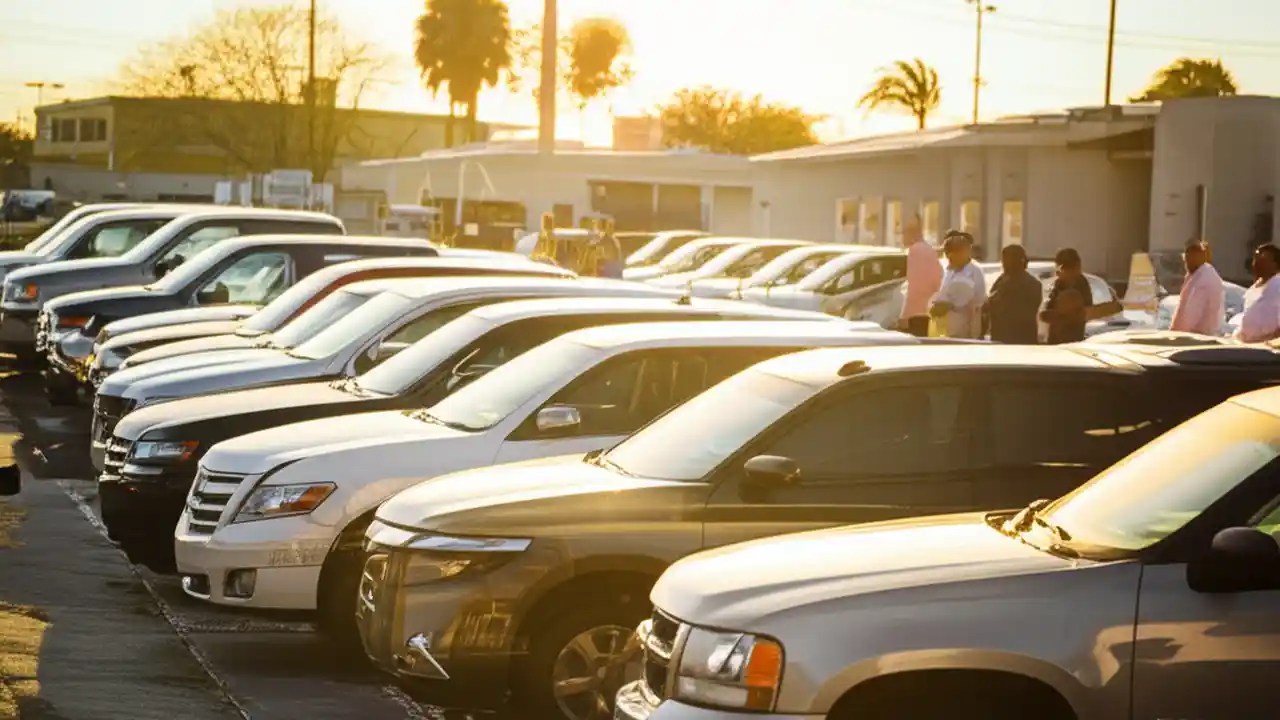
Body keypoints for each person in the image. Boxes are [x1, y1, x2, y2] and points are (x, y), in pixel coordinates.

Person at [929, 231, 987, 339]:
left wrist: (950, 305)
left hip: (966, 331)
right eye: (947, 256)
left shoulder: (975, 272)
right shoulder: (948, 271)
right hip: (945, 329)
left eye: (952, 256)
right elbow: (941, 293)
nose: (949, 260)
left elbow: (978, 300)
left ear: (964, 252)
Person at [985, 244, 1042, 344]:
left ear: (1019, 260)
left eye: (1007, 259)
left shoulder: (1032, 284)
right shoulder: (1001, 280)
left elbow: (1025, 312)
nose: (1003, 263)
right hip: (1000, 338)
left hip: (1021, 340)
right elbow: (991, 302)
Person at [1169, 240, 1226, 336]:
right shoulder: (1201, 276)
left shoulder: (1203, 280)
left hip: (1199, 339)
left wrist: (1174, 335)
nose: (1186, 263)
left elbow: (1189, 317)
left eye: (1189, 258)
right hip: (1201, 336)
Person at [900, 215, 942, 337]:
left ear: (913, 233)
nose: (902, 237)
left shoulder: (915, 251)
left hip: (916, 314)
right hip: (928, 311)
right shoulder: (930, 250)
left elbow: (915, 287)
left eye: (904, 232)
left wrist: (904, 315)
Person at [1040, 248, 1093, 344]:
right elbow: (1048, 310)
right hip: (1055, 339)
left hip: (1072, 340)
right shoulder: (1059, 284)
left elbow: (1085, 312)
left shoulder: (1081, 285)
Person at [1236, 244, 1280, 343]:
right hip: (1247, 346)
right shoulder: (1254, 288)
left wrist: (1270, 342)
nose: (1256, 263)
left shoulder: (1277, 286)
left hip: (1266, 350)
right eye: (1255, 259)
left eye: (1263, 260)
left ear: (1275, 264)